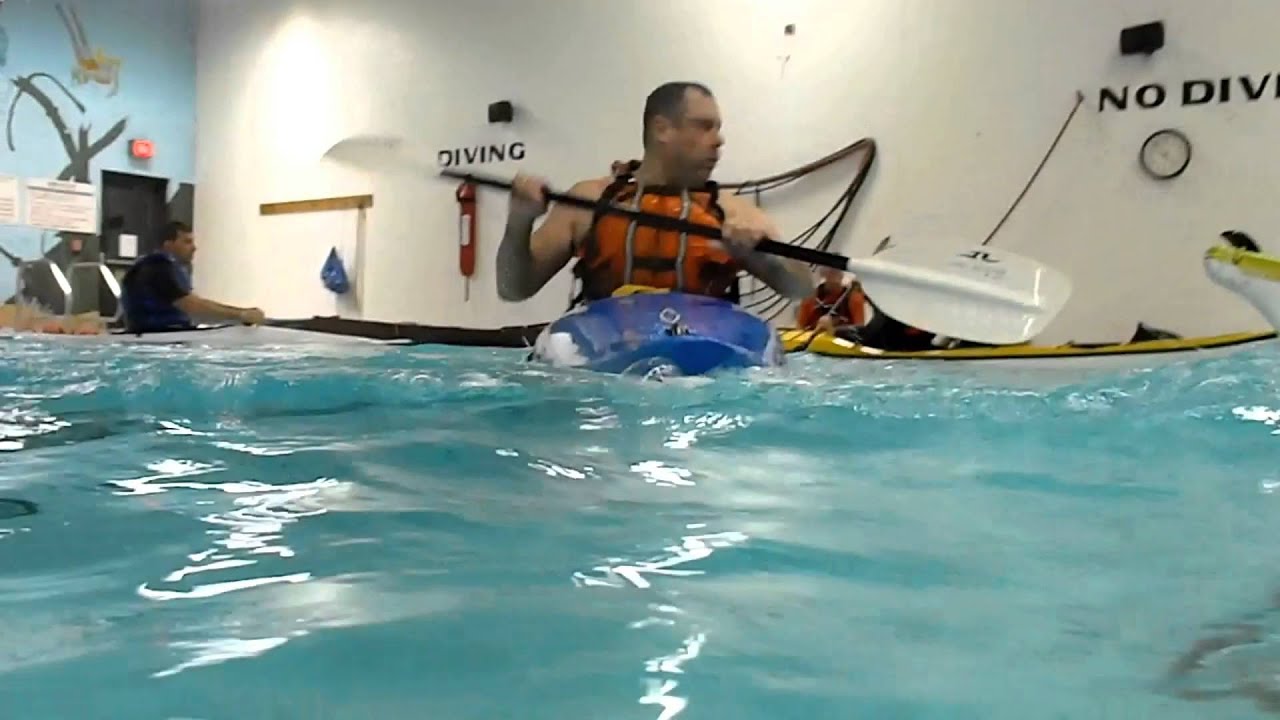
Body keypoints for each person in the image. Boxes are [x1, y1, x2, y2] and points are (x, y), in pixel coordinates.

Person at [495, 81, 813, 306]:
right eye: (704, 126)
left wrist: (761, 255)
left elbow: (801, 289)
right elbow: (513, 289)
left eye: (718, 127)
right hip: (606, 377)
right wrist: (519, 221)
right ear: (662, 129)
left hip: (700, 381)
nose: (719, 140)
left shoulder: (734, 215)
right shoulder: (590, 201)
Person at [119, 221, 265, 333]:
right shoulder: (156, 268)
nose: (194, 247)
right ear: (168, 244)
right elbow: (192, 306)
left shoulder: (165, 267)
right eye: (187, 242)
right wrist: (241, 314)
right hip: (157, 338)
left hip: (167, 334)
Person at [795, 266, 866, 334]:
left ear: (842, 274)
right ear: (823, 274)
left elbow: (860, 331)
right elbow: (799, 328)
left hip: (842, 343)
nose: (834, 274)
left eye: (837, 271)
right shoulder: (810, 298)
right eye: (831, 272)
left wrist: (833, 330)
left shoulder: (853, 298)